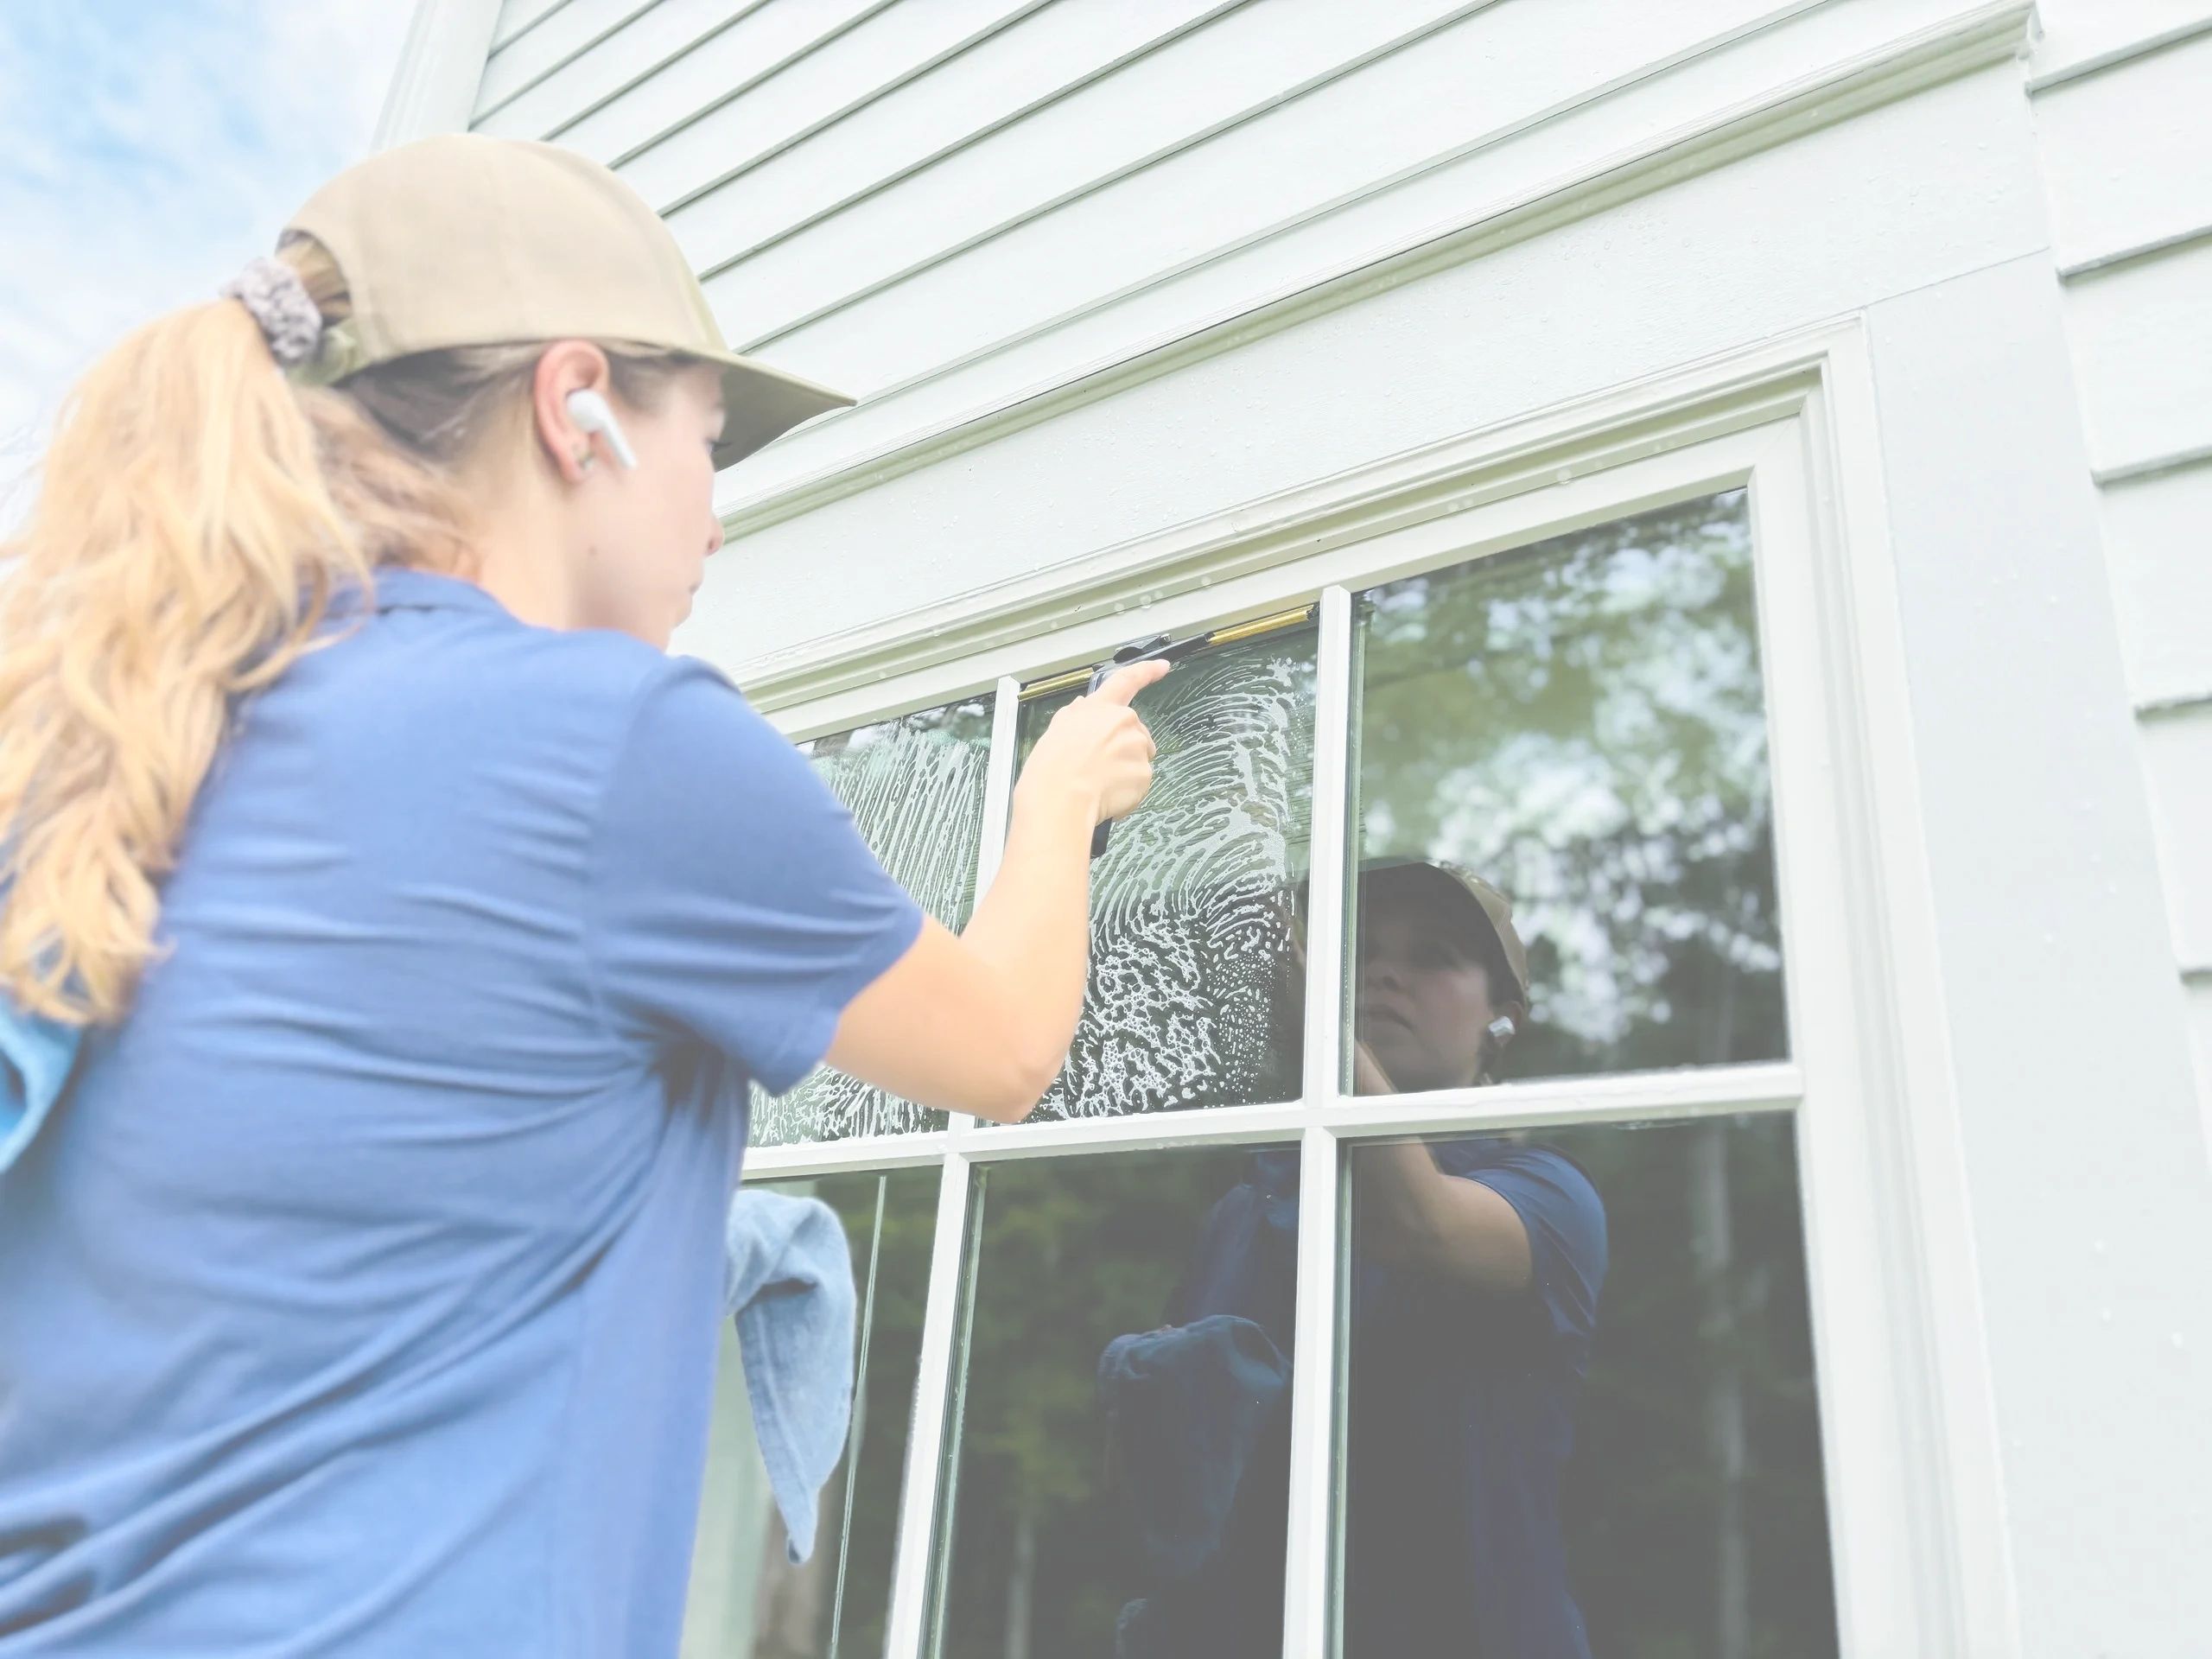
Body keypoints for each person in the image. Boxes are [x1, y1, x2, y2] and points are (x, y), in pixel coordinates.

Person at [0, 135, 1165, 1656]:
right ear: (579, 411)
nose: (718, 516)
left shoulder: (125, 753)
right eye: (709, 438)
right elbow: (1007, 1044)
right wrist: (1062, 789)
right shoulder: (623, 746)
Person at [1112, 859, 1607, 1658]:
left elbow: (1420, 1223)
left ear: (1502, 1020)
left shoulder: (1548, 1195)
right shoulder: (1243, 1210)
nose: (1382, 971)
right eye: (1359, 947)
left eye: (1434, 955)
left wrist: (1320, 1030)